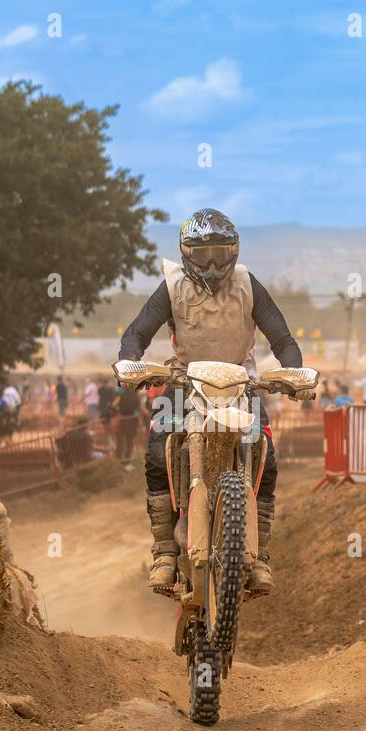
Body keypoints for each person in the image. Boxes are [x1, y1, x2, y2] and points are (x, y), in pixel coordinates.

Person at [117, 207, 309, 593]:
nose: (212, 263)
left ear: (234, 251)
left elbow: (284, 340)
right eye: (202, 255)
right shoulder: (171, 287)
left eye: (220, 254)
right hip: (184, 380)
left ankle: (261, 556)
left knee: (266, 455)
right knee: (158, 450)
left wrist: (294, 373)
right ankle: (165, 552)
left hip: (242, 382)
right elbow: (137, 332)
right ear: (185, 253)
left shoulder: (247, 284)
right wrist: (129, 363)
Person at [114, 384, 144, 466]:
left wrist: (117, 414)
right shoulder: (134, 394)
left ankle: (120, 460)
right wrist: (139, 419)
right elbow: (139, 407)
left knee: (121, 442)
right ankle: (126, 461)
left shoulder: (121, 393)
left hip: (123, 420)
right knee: (128, 441)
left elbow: (114, 405)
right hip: (131, 420)